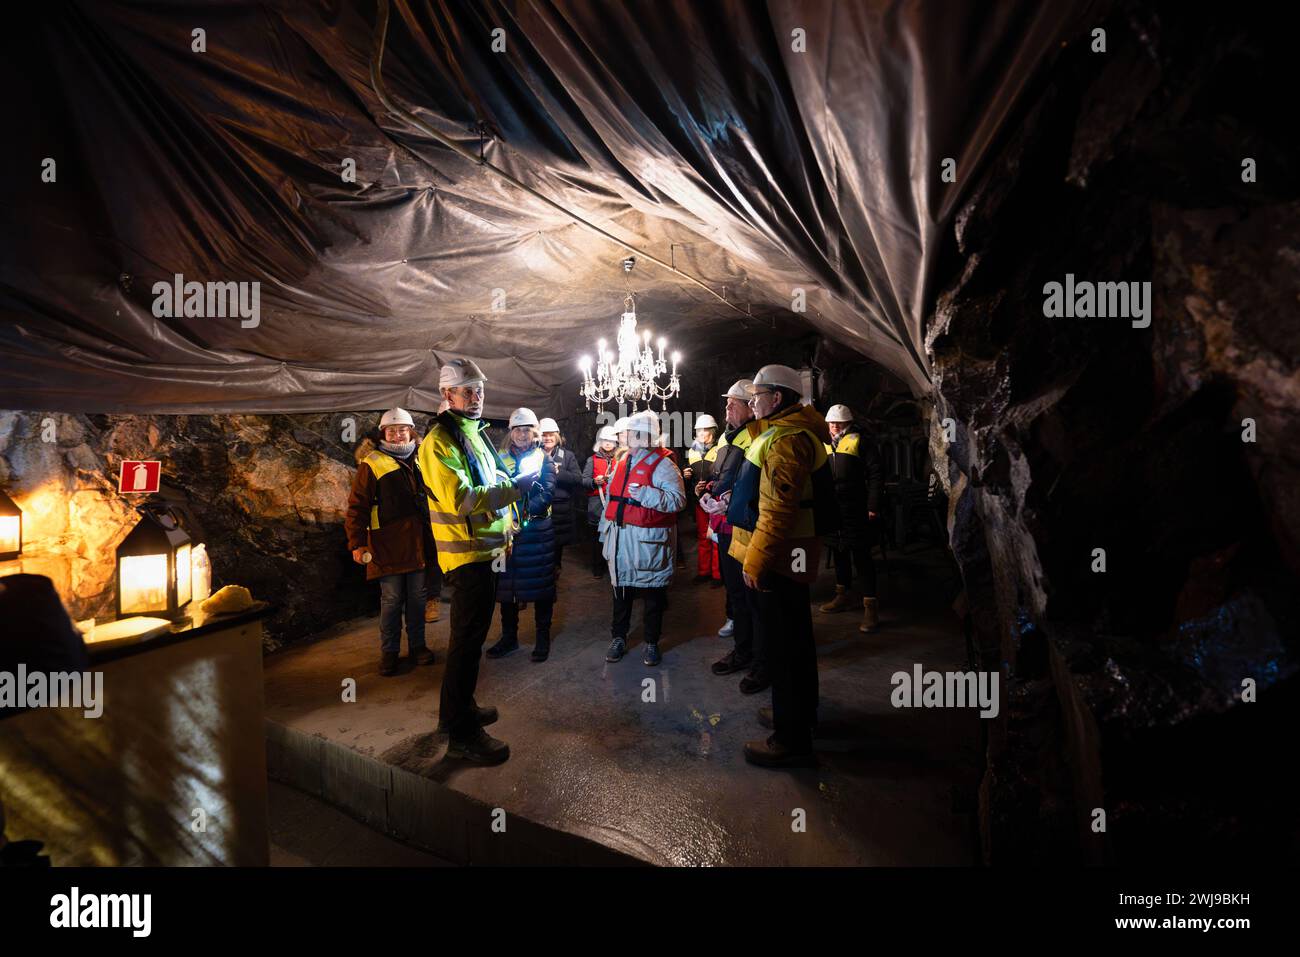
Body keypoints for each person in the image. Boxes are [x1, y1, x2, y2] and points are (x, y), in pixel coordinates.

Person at [418, 358, 536, 764]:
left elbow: (496, 480)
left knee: (471, 643)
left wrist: (509, 503)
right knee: (465, 646)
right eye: (468, 391)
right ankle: (461, 735)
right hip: (466, 557)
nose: (476, 397)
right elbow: (464, 499)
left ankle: (461, 710)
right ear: (446, 395)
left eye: (480, 390)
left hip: (486, 552)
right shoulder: (439, 441)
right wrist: (514, 492)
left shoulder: (473, 434)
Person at [727, 364, 831, 768]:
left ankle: (791, 739)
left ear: (779, 399)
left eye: (758, 395)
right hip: (788, 555)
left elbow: (776, 511)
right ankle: (799, 716)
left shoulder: (786, 441)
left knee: (786, 647)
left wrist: (755, 562)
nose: (751, 402)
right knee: (793, 641)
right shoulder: (778, 434)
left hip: (781, 557)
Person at [345, 407, 439, 676]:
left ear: (411, 431)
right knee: (392, 600)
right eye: (392, 430)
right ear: (383, 433)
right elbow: (357, 506)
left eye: (402, 429)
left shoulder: (423, 458)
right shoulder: (372, 463)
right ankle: (390, 652)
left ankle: (418, 647)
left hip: (420, 541)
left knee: (419, 598)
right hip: (387, 544)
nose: (398, 434)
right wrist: (357, 543)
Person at [599, 410, 686, 666]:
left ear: (645, 436)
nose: (625, 437)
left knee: (652, 594)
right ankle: (618, 637)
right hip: (620, 538)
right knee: (621, 592)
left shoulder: (664, 465)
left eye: (631, 433)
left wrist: (646, 494)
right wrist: (605, 529)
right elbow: (613, 499)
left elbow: (678, 500)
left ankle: (651, 642)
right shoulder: (623, 461)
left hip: (649, 541)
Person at [697, 380, 766, 690]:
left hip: (747, 529)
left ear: (750, 407)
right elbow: (723, 475)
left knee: (754, 599)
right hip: (728, 527)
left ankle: (761, 662)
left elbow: (754, 484)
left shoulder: (755, 438)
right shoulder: (730, 438)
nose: (727, 408)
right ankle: (744, 651)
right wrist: (709, 488)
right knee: (736, 594)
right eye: (727, 403)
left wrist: (728, 498)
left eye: (732, 403)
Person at [488, 409, 559, 662]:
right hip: (507, 532)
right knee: (507, 588)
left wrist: (523, 516)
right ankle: (509, 637)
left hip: (537, 531)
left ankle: (542, 638)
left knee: (541, 586)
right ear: (511, 433)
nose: (522, 434)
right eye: (517, 429)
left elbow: (547, 493)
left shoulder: (544, 459)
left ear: (534, 433)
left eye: (526, 430)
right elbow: (495, 491)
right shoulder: (500, 458)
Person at [819, 404, 884, 632]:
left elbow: (876, 474)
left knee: (862, 555)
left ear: (848, 424)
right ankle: (842, 595)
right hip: (833, 507)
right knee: (838, 551)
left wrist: (873, 504)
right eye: (831, 423)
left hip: (856, 507)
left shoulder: (861, 441)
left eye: (839, 423)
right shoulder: (826, 445)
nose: (834, 426)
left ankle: (870, 607)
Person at [540, 417, 581, 578]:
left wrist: (559, 473)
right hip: (539, 507)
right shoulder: (533, 454)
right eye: (544, 435)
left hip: (560, 510)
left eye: (551, 435)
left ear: (557, 436)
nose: (547, 438)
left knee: (556, 546)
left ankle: (554, 573)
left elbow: (578, 479)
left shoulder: (567, 456)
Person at [683, 413, 721, 583]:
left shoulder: (721, 450)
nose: (699, 434)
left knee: (716, 536)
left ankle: (717, 574)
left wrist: (710, 488)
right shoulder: (691, 452)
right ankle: (704, 571)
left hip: (716, 502)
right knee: (703, 535)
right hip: (699, 502)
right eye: (698, 431)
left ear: (712, 432)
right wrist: (687, 477)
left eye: (703, 431)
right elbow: (687, 479)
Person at [582, 425, 619, 578]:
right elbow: (584, 480)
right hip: (597, 503)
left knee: (615, 537)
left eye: (611, 440)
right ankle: (598, 567)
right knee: (597, 538)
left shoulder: (621, 459)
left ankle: (614, 568)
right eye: (605, 440)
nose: (608, 443)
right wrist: (593, 482)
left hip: (614, 502)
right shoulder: (592, 460)